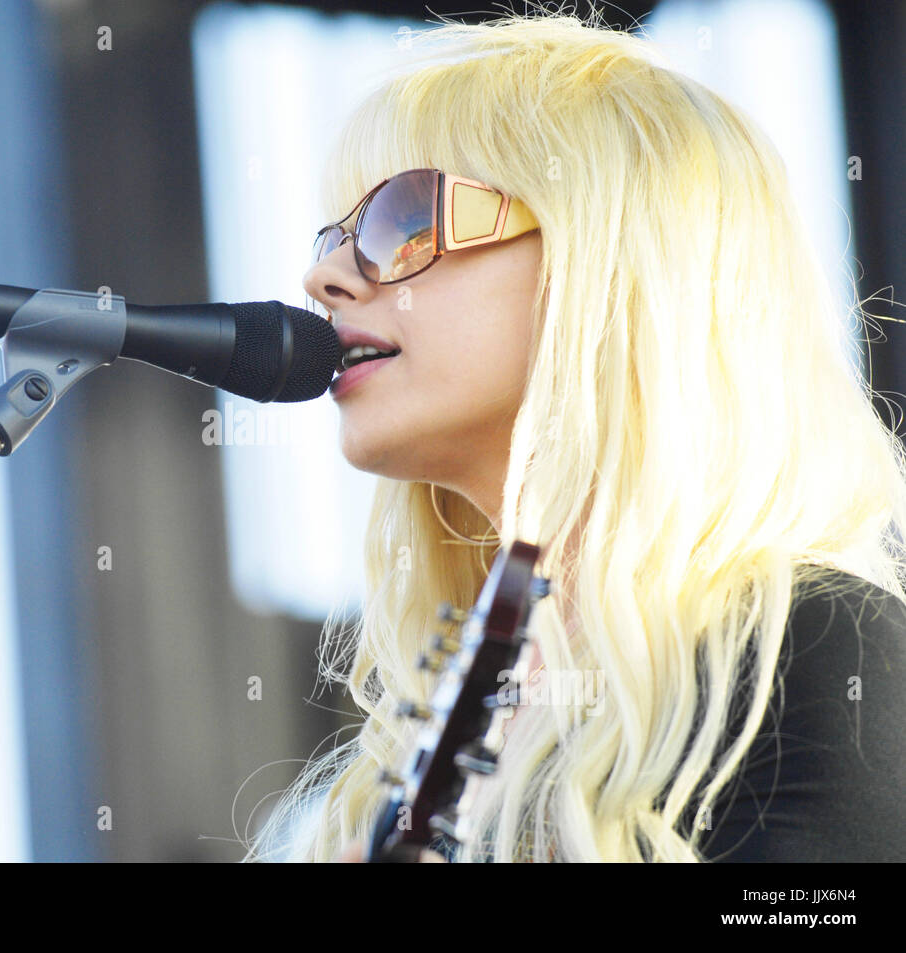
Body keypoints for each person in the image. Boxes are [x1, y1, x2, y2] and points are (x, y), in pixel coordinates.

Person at [248, 10, 906, 862]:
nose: (323, 276)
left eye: (403, 217)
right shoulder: (407, 758)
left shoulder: (819, 648)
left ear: (605, 258)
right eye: (333, 238)